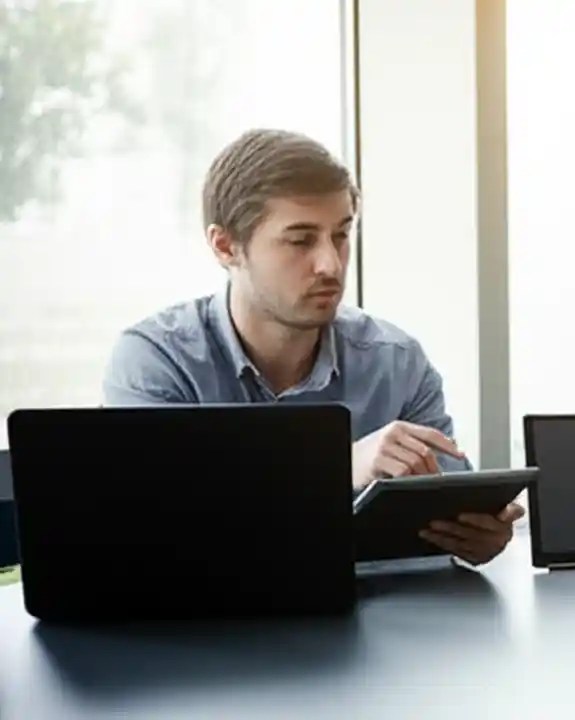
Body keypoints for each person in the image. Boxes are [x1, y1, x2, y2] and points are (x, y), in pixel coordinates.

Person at [102, 129, 522, 566]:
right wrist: (335, 471)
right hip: (205, 625)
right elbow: (158, 529)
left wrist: (476, 536)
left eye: (341, 235)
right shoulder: (157, 360)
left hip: (377, 620)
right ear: (226, 246)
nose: (331, 264)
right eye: (301, 240)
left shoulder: (396, 363)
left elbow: (449, 507)